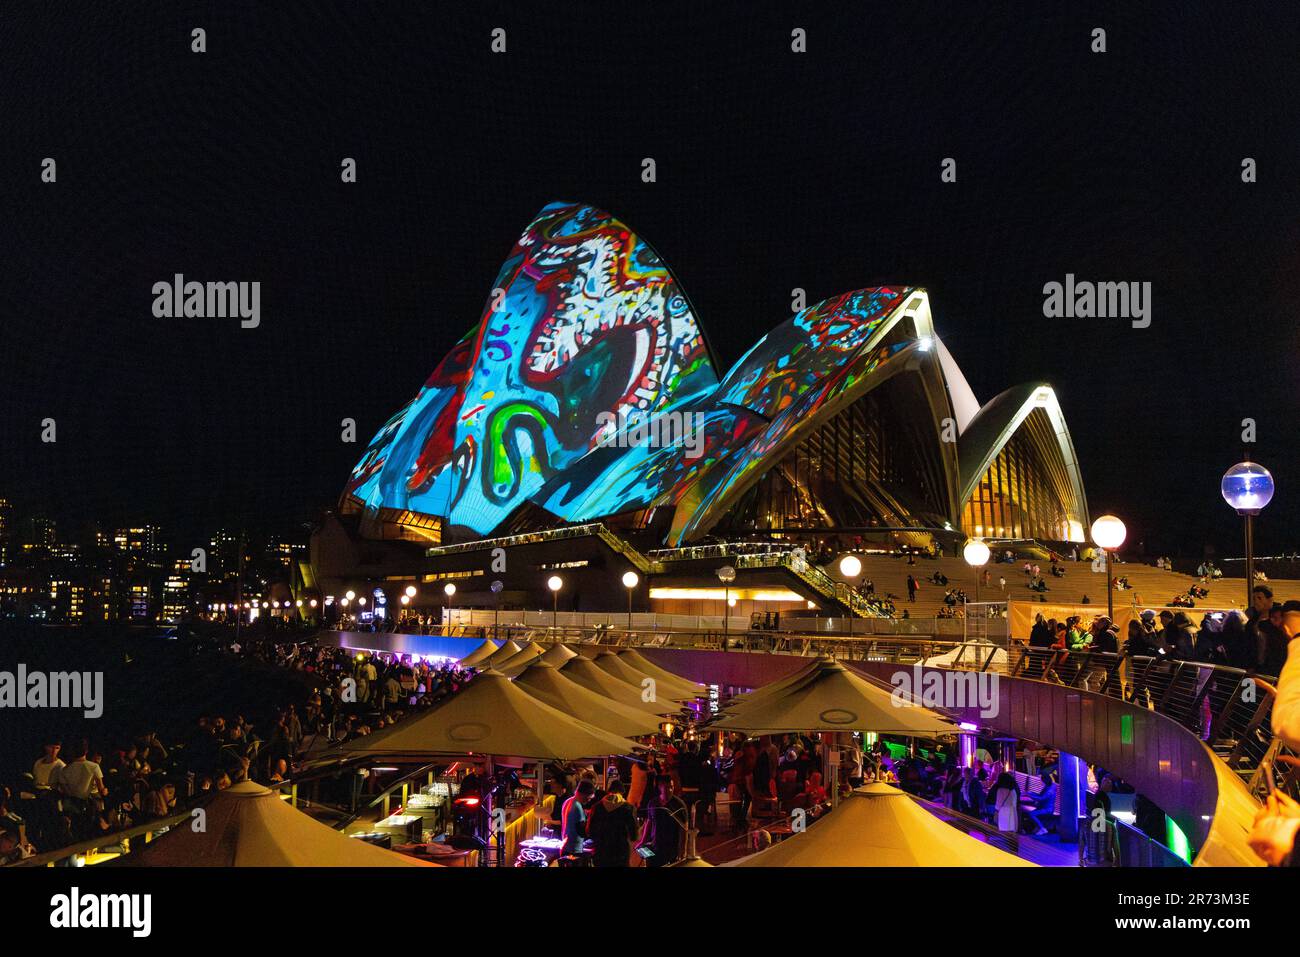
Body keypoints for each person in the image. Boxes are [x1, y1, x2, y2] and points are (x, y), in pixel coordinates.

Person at [587, 781, 639, 867]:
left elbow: (589, 831)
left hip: (601, 853)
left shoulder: (596, 807)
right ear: (621, 792)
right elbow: (634, 835)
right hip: (621, 853)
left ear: (609, 791)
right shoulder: (629, 808)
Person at [561, 779, 595, 857]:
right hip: (574, 850)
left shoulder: (568, 801)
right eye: (588, 798)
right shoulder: (578, 807)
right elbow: (582, 831)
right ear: (583, 794)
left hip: (565, 847)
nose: (589, 801)